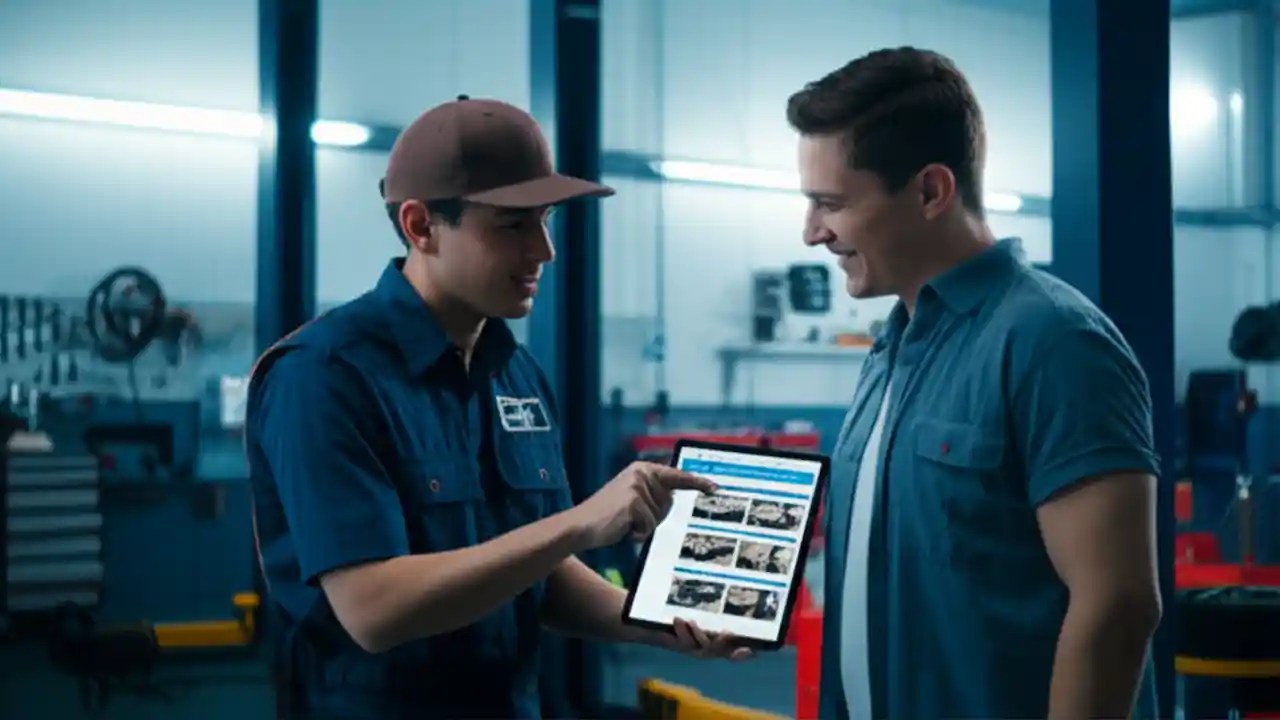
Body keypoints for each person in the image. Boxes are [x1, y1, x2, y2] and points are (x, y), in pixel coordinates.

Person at [244, 95, 751, 720]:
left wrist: (655, 621)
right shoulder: (324, 379)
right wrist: (580, 522)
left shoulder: (515, 372)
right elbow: (372, 610)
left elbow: (535, 572)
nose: (544, 251)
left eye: (545, 221)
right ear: (421, 226)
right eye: (512, 225)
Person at [787, 48, 1163, 720]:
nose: (812, 232)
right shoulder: (892, 350)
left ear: (931, 191)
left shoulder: (1054, 342)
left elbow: (1117, 605)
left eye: (831, 204)